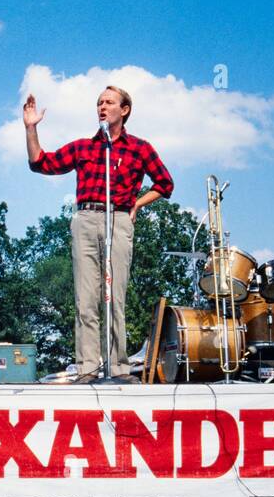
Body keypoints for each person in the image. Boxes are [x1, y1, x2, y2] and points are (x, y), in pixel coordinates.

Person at [24, 86, 173, 381]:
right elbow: (40, 163)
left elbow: (165, 184)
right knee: (86, 298)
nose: (102, 107)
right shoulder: (84, 147)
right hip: (87, 217)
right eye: (99, 103)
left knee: (115, 296)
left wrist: (136, 204)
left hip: (118, 218)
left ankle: (118, 367)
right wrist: (30, 129)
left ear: (125, 109)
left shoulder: (140, 148)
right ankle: (88, 367)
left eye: (109, 102)